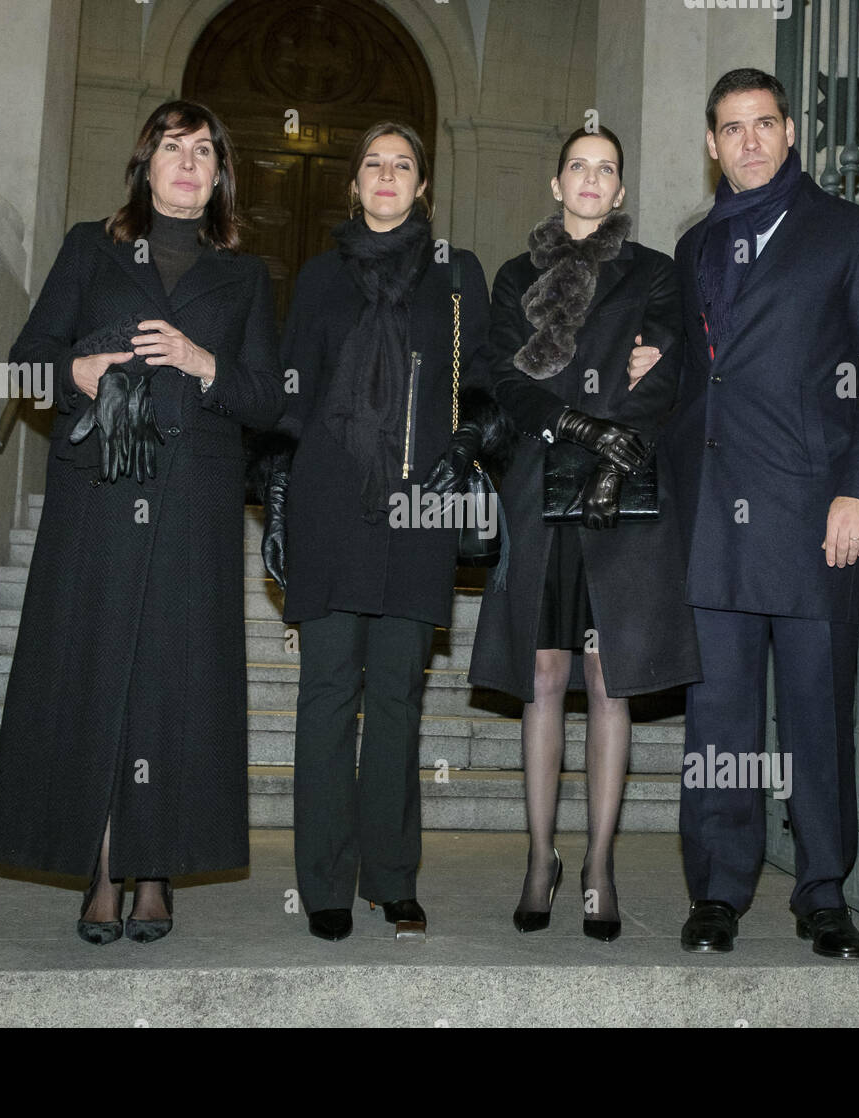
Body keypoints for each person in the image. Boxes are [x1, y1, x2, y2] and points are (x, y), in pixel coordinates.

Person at [0, 101, 284, 945]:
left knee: (175, 687)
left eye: (204, 153)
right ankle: (104, 867)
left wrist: (203, 362)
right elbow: (27, 362)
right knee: (98, 675)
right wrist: (77, 367)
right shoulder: (92, 247)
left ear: (219, 175)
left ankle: (158, 871)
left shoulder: (247, 275)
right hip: (101, 499)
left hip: (194, 501)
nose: (188, 163)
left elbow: (269, 398)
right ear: (145, 164)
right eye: (172, 148)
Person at [667, 69, 859, 958]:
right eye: (731, 129)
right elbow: (701, 382)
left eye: (764, 124)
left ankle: (821, 894)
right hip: (714, 523)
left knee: (815, 713)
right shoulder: (694, 248)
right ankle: (717, 892)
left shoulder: (854, 234)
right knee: (719, 719)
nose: (750, 142)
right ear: (711, 144)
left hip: (818, 516)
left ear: (791, 130)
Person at [259, 121, 503, 941]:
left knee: (397, 697)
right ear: (354, 184)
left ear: (422, 184)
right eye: (374, 165)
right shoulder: (322, 277)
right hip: (333, 506)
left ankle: (391, 876)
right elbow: (290, 402)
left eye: (403, 165)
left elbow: (490, 390)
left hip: (422, 507)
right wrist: (279, 501)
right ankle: (324, 883)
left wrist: (466, 445)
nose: (388, 176)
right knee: (327, 695)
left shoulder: (456, 274)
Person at [467, 127, 701, 942]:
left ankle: (599, 864)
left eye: (607, 169)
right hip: (539, 481)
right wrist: (576, 424)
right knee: (542, 673)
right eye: (579, 167)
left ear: (621, 191)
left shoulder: (656, 273)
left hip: (621, 493)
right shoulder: (513, 275)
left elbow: (668, 370)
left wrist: (617, 446)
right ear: (556, 182)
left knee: (609, 677)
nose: (592, 179)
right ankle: (541, 858)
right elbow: (502, 376)